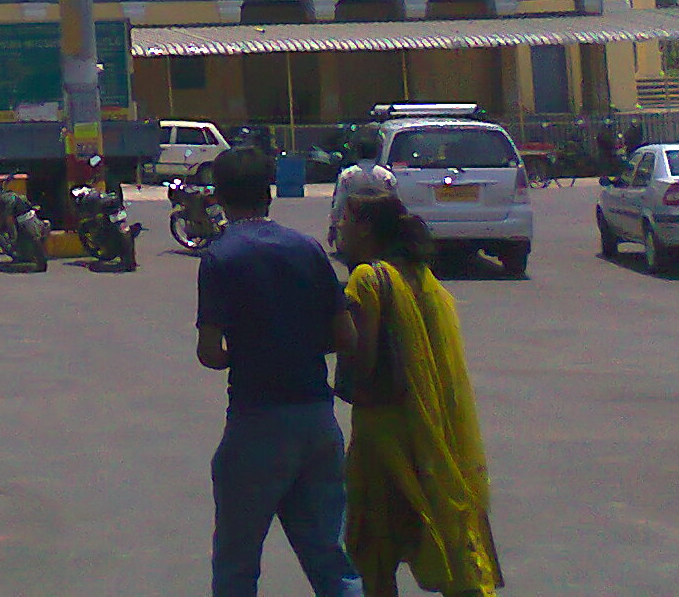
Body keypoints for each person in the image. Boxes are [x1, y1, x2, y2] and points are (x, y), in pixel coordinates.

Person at [195, 145, 364, 597]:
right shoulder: (307, 249)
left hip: (256, 421)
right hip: (316, 420)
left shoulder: (220, 257)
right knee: (331, 560)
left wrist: (248, 351)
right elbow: (346, 337)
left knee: (237, 563)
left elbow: (209, 352)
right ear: (269, 193)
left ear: (219, 196)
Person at [338, 195, 501, 597]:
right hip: (432, 431)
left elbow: (364, 359)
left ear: (364, 228)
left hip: (384, 435)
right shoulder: (424, 278)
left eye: (344, 221)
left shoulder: (367, 279)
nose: (338, 229)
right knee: (443, 526)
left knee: (372, 547)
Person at [326, 136, 395, 256]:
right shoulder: (386, 176)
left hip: (354, 227)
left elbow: (339, 203)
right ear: (376, 153)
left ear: (357, 153)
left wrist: (333, 227)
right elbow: (396, 202)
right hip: (380, 228)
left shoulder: (348, 175)